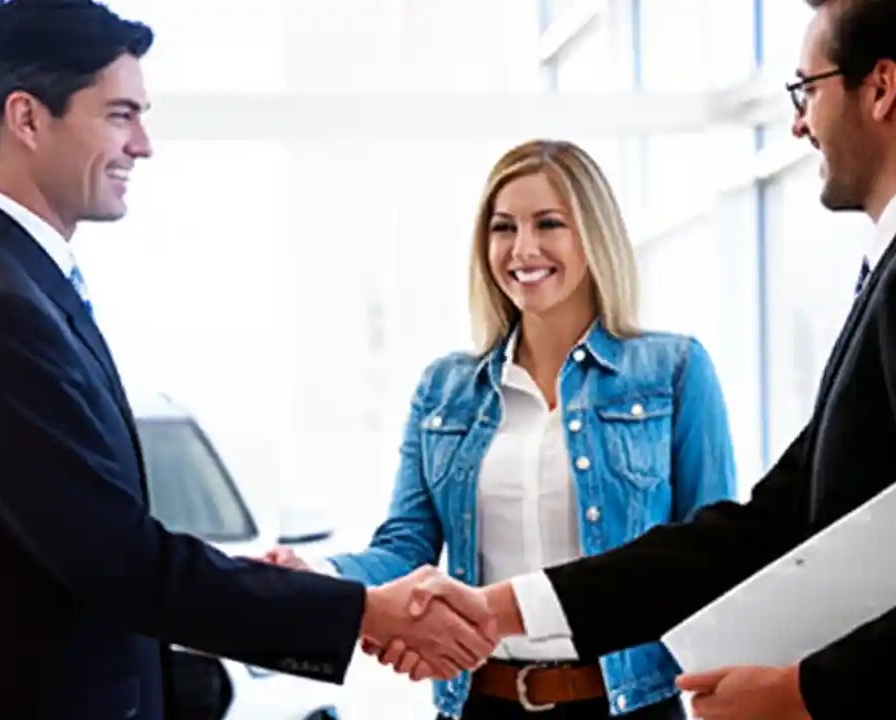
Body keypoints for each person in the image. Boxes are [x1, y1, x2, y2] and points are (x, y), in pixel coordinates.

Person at [0, 2, 496, 719]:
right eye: (119, 114)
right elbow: (122, 565)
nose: (143, 144)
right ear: (28, 119)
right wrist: (362, 613)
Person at [383, 1, 896, 718]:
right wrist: (502, 607)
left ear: (881, 88)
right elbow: (774, 521)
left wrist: (799, 692)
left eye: (807, 90)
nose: (799, 123)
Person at [264, 139, 738, 719]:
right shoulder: (445, 389)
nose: (523, 249)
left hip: (628, 705)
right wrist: (319, 576)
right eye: (503, 228)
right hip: (480, 704)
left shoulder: (675, 371)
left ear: (594, 234)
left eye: (549, 224)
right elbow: (406, 546)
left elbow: (713, 553)